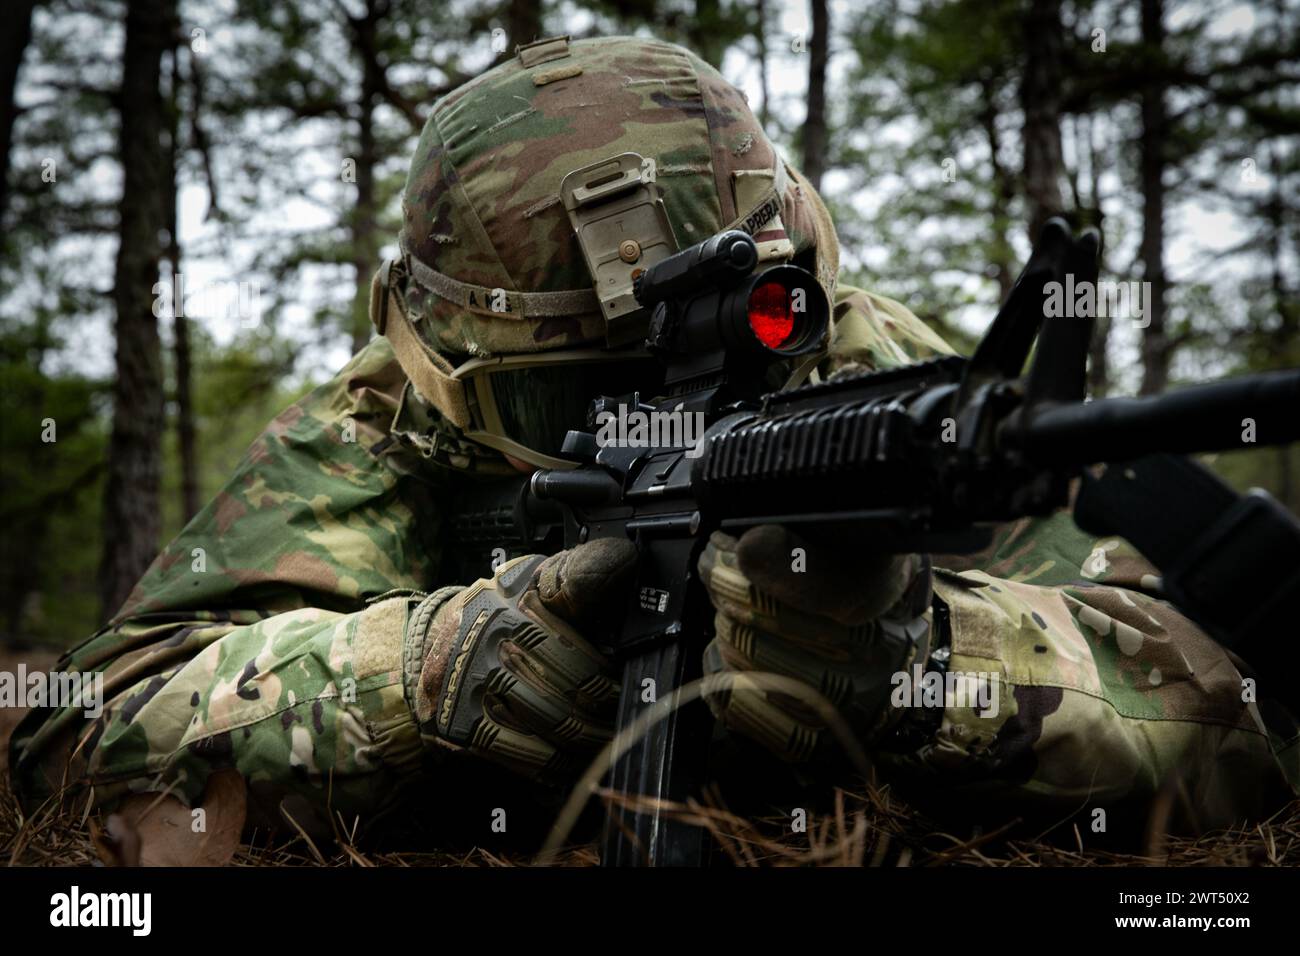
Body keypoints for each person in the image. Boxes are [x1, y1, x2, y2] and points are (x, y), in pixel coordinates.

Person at [11, 35, 1296, 850]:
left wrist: (931, 669)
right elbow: (78, 726)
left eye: (743, 359)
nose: (643, 421)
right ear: (446, 362)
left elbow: (1249, 718)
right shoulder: (388, 421)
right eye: (571, 402)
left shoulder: (887, 398)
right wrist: (422, 676)